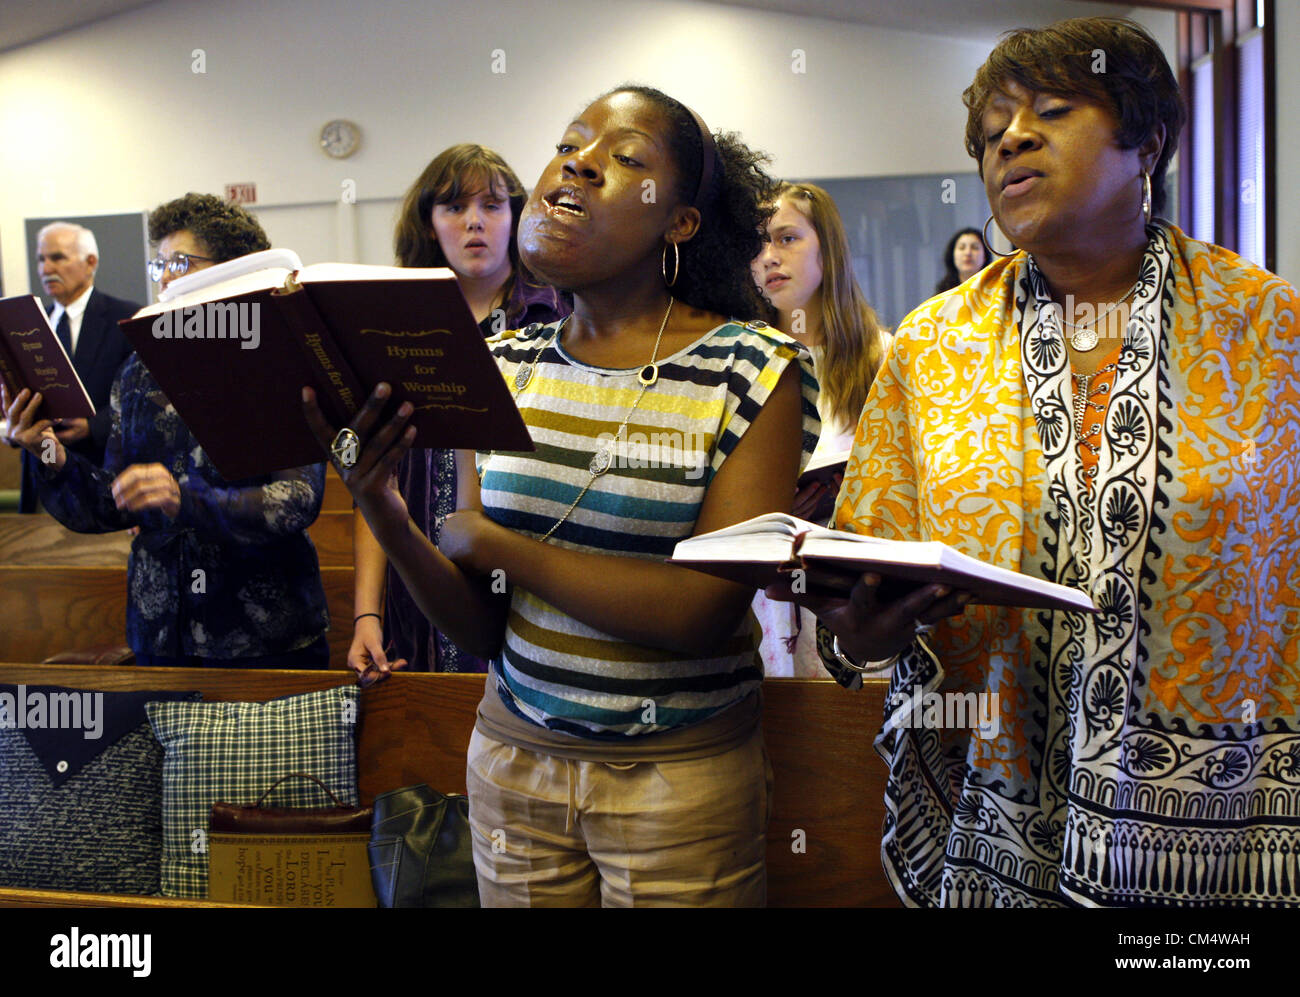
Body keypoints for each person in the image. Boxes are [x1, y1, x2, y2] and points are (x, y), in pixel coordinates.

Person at [771, 16, 1300, 907]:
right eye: (989, 133)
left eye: (1051, 110)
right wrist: (864, 628)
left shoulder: (1267, 327)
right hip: (996, 819)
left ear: (1148, 144)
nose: (1008, 139)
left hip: (1219, 836)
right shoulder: (935, 347)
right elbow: (866, 581)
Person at [306, 85, 819, 906]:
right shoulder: (503, 364)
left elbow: (701, 613)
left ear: (678, 221)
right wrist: (388, 516)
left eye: (623, 159)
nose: (577, 162)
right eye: (570, 143)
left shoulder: (750, 369)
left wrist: (500, 545)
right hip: (513, 762)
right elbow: (482, 623)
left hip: (676, 777)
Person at [2, 193, 329, 668]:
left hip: (262, 640)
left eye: (179, 261)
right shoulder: (138, 368)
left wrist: (185, 499)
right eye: (158, 265)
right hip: (159, 636)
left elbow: (297, 500)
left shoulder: (275, 362)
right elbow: (105, 503)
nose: (165, 278)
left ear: (232, 269)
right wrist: (48, 452)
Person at [351, 144, 568, 681]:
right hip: (418, 573)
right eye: (454, 208)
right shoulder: (394, 329)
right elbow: (375, 482)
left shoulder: (560, 315)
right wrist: (366, 614)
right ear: (429, 225)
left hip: (530, 580)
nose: (475, 222)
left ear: (517, 217)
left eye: (492, 206)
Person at [749, 181, 888, 676]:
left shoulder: (885, 358)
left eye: (787, 238)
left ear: (828, 250)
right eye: (758, 242)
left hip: (858, 606)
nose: (768, 257)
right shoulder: (743, 365)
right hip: (763, 613)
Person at [11, 223, 137, 513]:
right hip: (40, 470)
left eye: (57, 258)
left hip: (101, 476)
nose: (45, 268)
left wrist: (92, 427)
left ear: (90, 262)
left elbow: (140, 401)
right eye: (41, 259)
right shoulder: (28, 324)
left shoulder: (125, 317)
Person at [933, 226, 989, 294]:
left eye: (975, 248)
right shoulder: (943, 295)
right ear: (952, 255)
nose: (968, 253)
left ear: (985, 255)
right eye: (962, 248)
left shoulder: (995, 290)